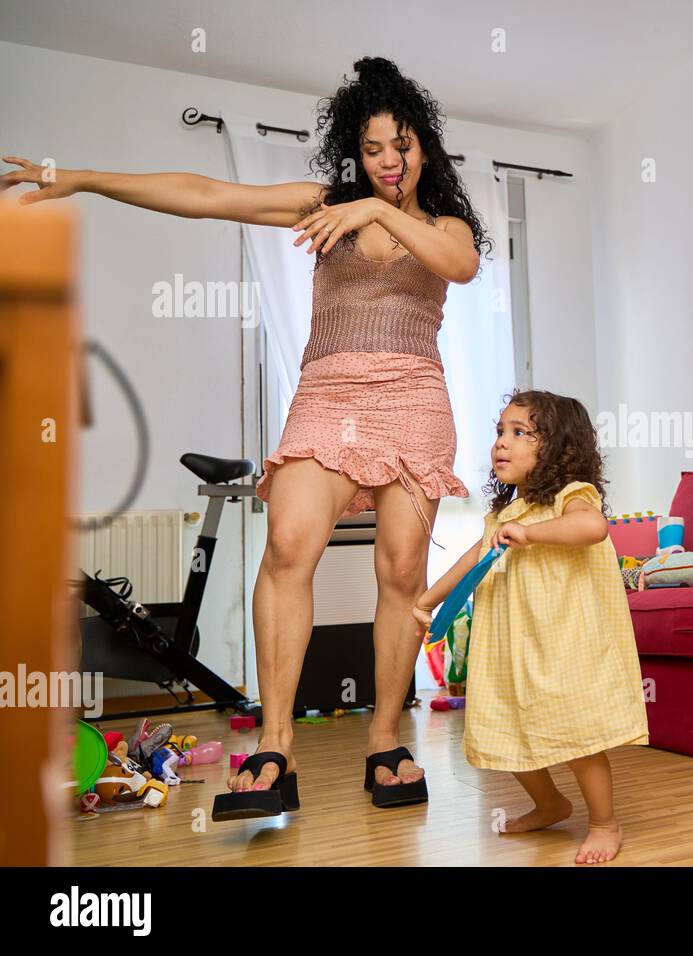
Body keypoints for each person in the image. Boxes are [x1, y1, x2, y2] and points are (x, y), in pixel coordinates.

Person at [3, 56, 492, 818]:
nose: (390, 162)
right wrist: (88, 178)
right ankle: (275, 741)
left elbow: (458, 266)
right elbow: (206, 195)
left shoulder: (443, 225)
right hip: (327, 393)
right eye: (372, 150)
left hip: (412, 398)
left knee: (400, 572)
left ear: (423, 145)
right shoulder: (323, 207)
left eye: (402, 145)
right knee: (290, 546)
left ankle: (386, 737)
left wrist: (376, 211)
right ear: (354, 154)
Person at [413, 390, 649, 862]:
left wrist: (532, 533)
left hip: (560, 641)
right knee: (504, 728)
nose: (502, 443)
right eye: (500, 431)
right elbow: (473, 558)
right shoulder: (503, 514)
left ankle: (604, 822)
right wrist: (427, 600)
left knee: (576, 732)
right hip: (509, 646)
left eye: (520, 433)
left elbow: (592, 530)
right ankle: (550, 804)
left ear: (558, 448)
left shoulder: (572, 497)